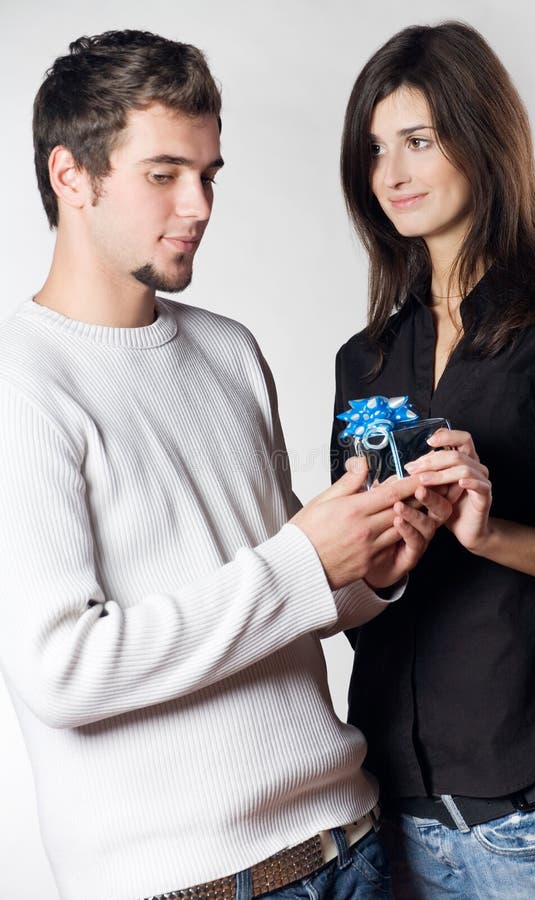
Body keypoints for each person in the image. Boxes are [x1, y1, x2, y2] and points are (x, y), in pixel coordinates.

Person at [0, 29, 454, 900]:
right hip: (197, 885)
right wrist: (303, 563)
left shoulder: (228, 350)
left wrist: (376, 568)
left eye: (209, 174)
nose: (199, 204)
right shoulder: (22, 387)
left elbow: (286, 591)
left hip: (353, 841)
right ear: (71, 176)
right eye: (164, 174)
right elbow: (63, 669)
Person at [331, 20, 535, 899]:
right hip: (389, 822)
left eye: (418, 140)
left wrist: (492, 536)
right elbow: (353, 588)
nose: (392, 174)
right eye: (376, 150)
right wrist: (366, 564)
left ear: (480, 139)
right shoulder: (363, 360)